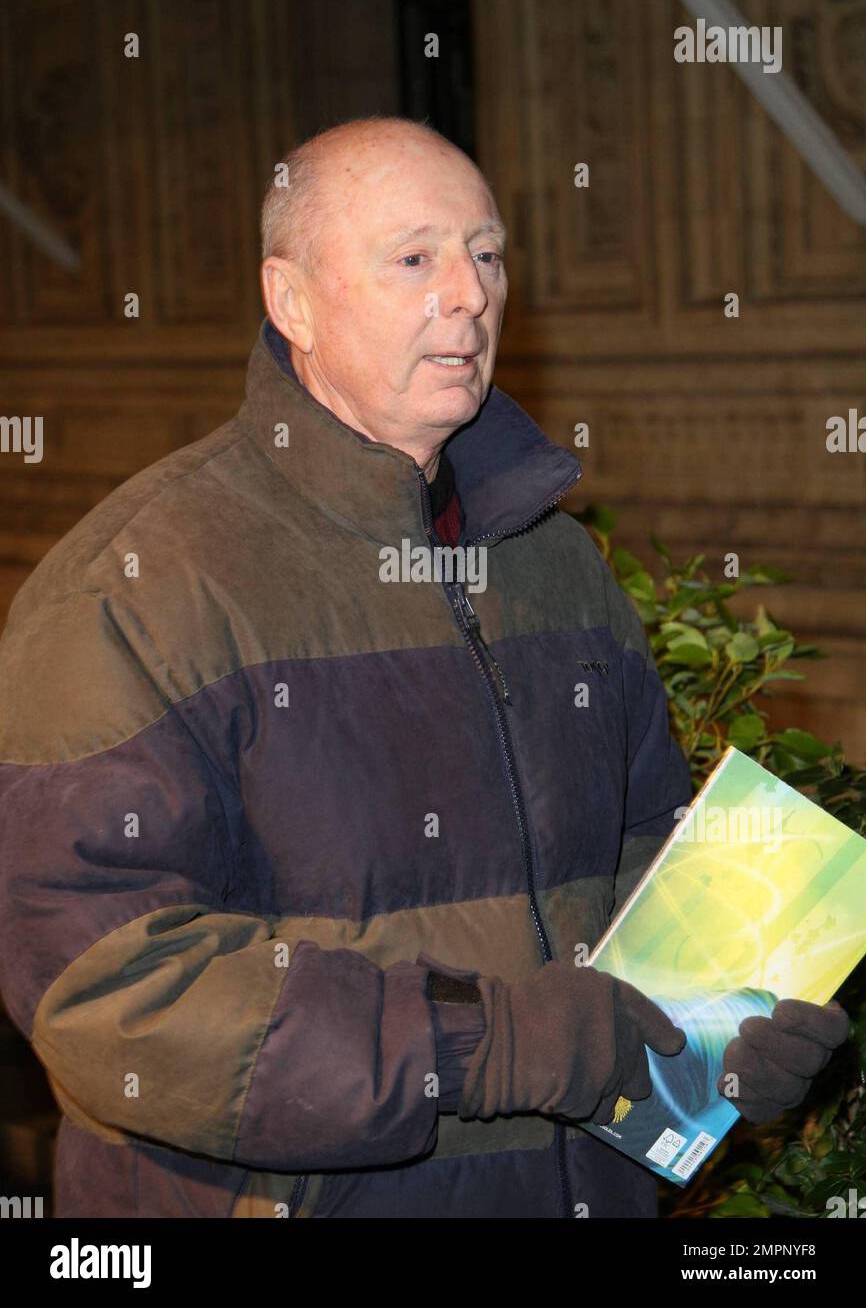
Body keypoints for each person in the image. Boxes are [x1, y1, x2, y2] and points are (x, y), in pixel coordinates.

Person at [0, 116, 849, 1219]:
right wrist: (479, 1043)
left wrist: (711, 1047)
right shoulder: (136, 587)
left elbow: (645, 855)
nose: (469, 294)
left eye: (485, 253)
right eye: (414, 257)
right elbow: (109, 989)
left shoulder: (555, 563)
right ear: (290, 299)